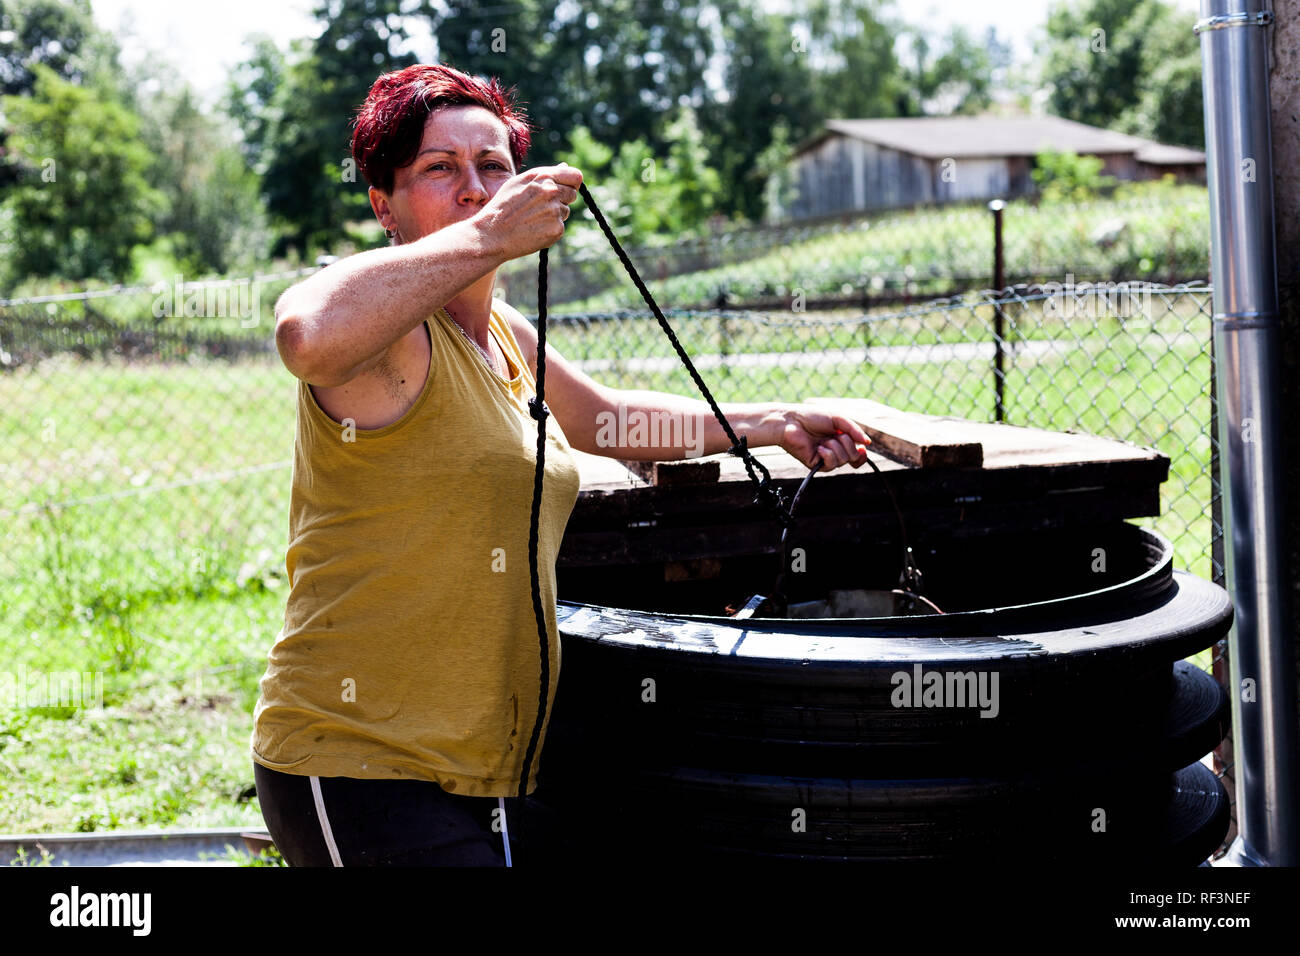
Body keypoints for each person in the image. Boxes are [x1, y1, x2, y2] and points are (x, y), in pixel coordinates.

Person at [249, 62, 874, 867]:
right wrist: (487, 236)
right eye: (440, 170)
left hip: (487, 765)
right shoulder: (391, 343)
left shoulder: (506, 336)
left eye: (493, 166)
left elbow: (605, 419)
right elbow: (306, 335)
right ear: (384, 206)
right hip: (356, 760)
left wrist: (773, 421)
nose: (475, 189)